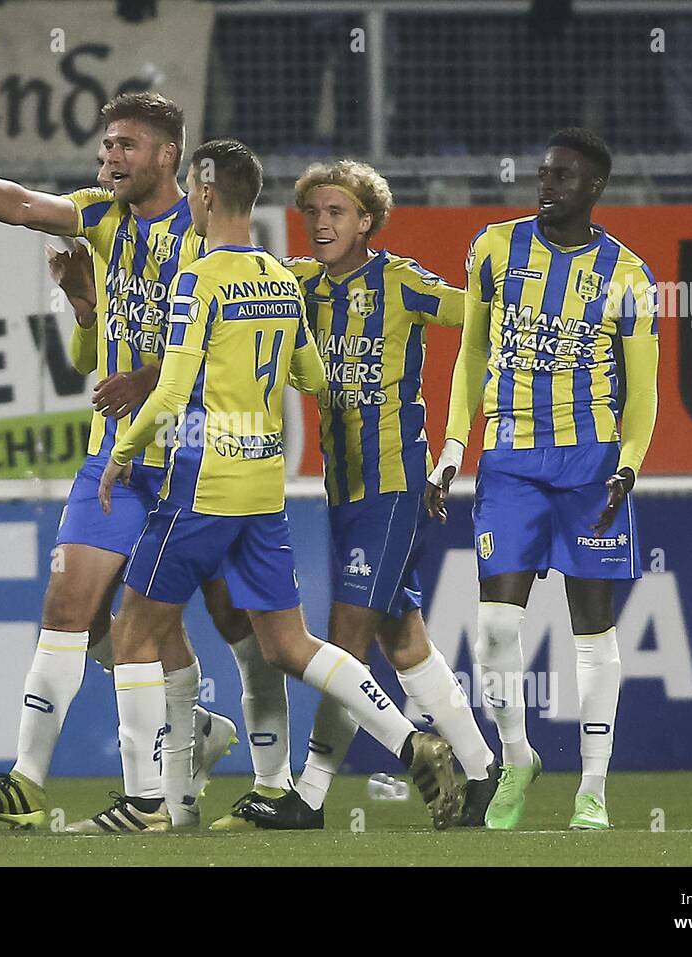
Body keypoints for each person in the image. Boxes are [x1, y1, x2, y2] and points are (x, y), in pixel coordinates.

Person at [67, 139, 463, 833]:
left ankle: (143, 803)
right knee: (288, 644)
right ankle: (410, 740)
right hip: (263, 486)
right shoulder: (281, 277)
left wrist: (123, 453)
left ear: (209, 194)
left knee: (131, 635)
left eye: (193, 189)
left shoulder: (199, 278)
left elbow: (170, 391)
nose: (189, 199)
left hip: (203, 483)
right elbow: (311, 376)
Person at [0, 93, 286, 826]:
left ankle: (216, 766)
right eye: (105, 146)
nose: (108, 158)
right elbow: (24, 206)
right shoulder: (103, 217)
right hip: (113, 457)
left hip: (192, 460)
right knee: (72, 610)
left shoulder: (210, 235)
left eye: (125, 146)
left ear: (168, 155)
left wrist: (149, 378)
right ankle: (29, 779)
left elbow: (229, 346)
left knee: (196, 622)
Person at [232, 160, 499, 832]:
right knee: (402, 636)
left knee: (344, 643)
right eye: (313, 212)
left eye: (337, 213)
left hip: (393, 486)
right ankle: (482, 768)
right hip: (343, 489)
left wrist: (510, 287)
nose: (322, 224)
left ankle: (312, 796)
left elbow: (480, 321)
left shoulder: (403, 282)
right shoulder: (293, 284)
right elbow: (229, 291)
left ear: (366, 222)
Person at [427, 128, 660, 830]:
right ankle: (517, 755)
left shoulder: (628, 276)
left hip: (591, 467)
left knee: (592, 629)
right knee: (496, 626)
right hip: (510, 464)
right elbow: (471, 353)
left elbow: (643, 392)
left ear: (593, 187)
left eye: (563, 176)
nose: (547, 184)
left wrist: (627, 466)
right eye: (543, 172)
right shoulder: (493, 249)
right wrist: (451, 449)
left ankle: (592, 787)